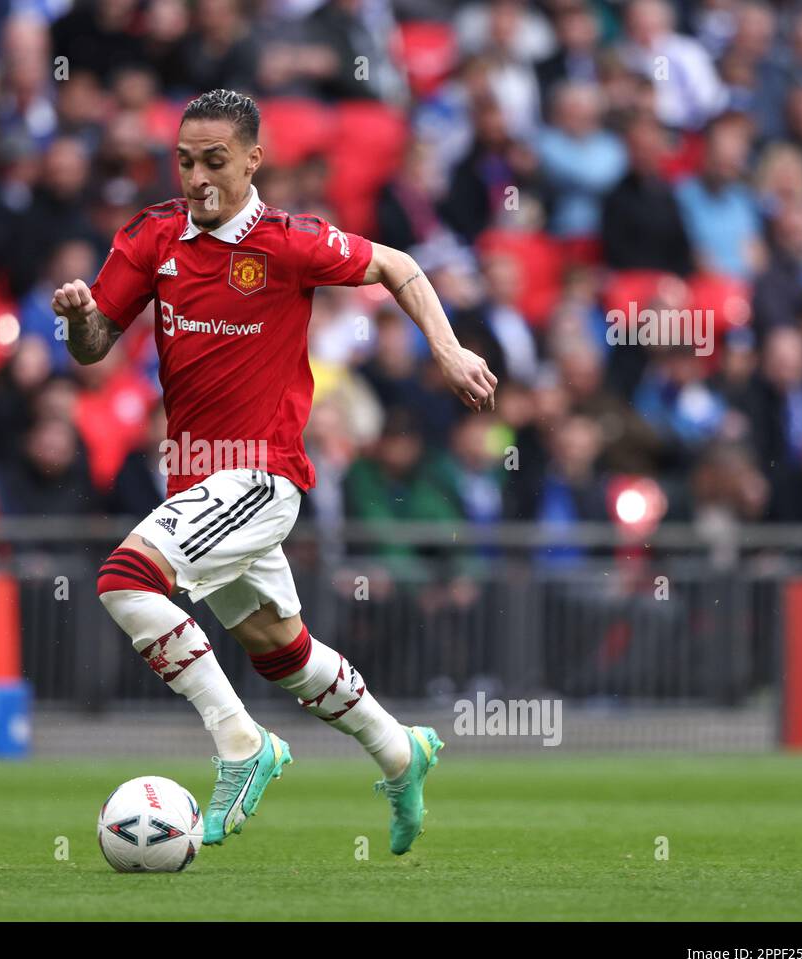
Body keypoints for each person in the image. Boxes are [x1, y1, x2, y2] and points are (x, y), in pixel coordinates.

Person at [51, 90, 497, 855]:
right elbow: (94, 349)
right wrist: (80, 317)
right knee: (277, 646)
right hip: (193, 482)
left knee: (124, 580)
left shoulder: (290, 242)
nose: (197, 177)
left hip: (260, 476)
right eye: (185, 160)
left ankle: (240, 745)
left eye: (215, 161)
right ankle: (399, 750)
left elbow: (400, 264)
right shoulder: (151, 236)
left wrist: (448, 350)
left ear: (254, 160)